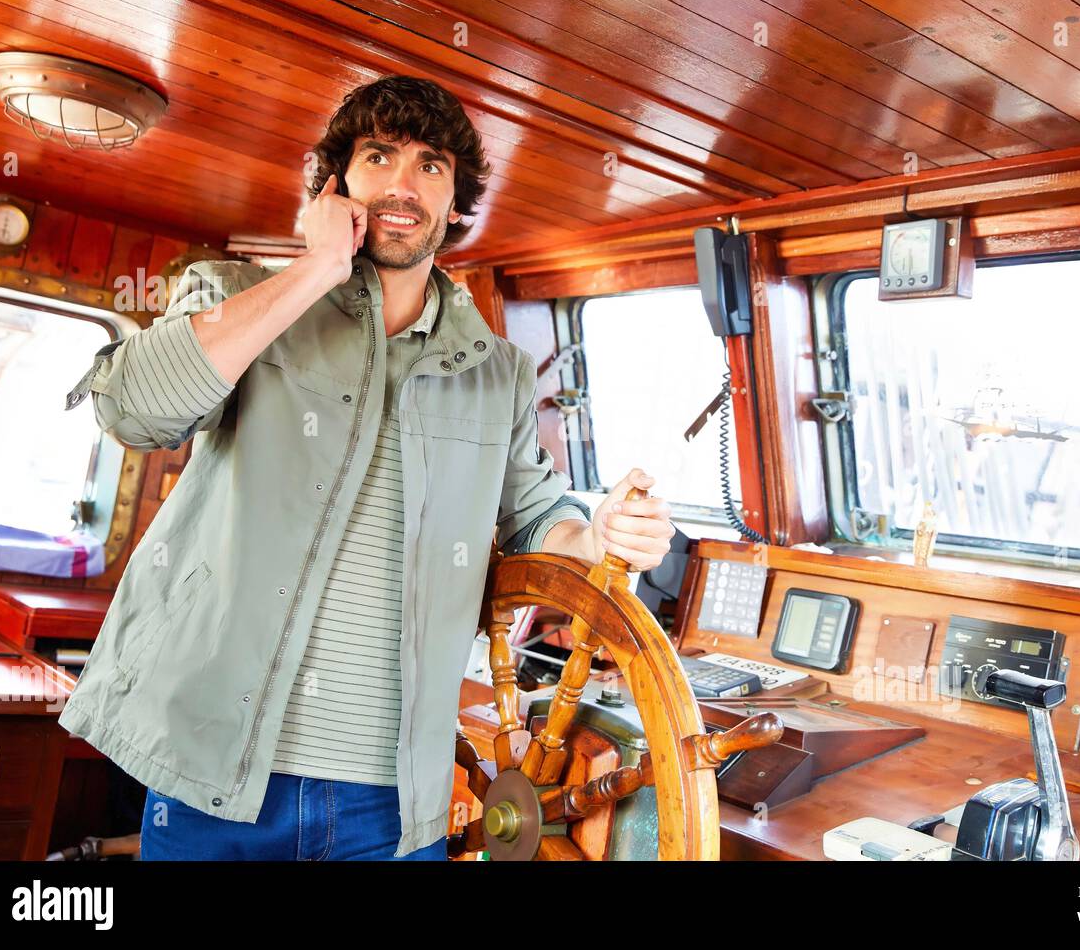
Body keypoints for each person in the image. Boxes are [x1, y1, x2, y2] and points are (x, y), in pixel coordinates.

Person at [58, 74, 675, 861]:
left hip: (390, 801)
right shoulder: (238, 296)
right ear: (335, 185)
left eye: (430, 166)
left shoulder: (500, 375)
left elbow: (538, 520)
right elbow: (134, 409)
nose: (402, 185)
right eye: (378, 156)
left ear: (455, 204)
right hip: (214, 764)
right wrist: (315, 269)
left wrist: (603, 534)